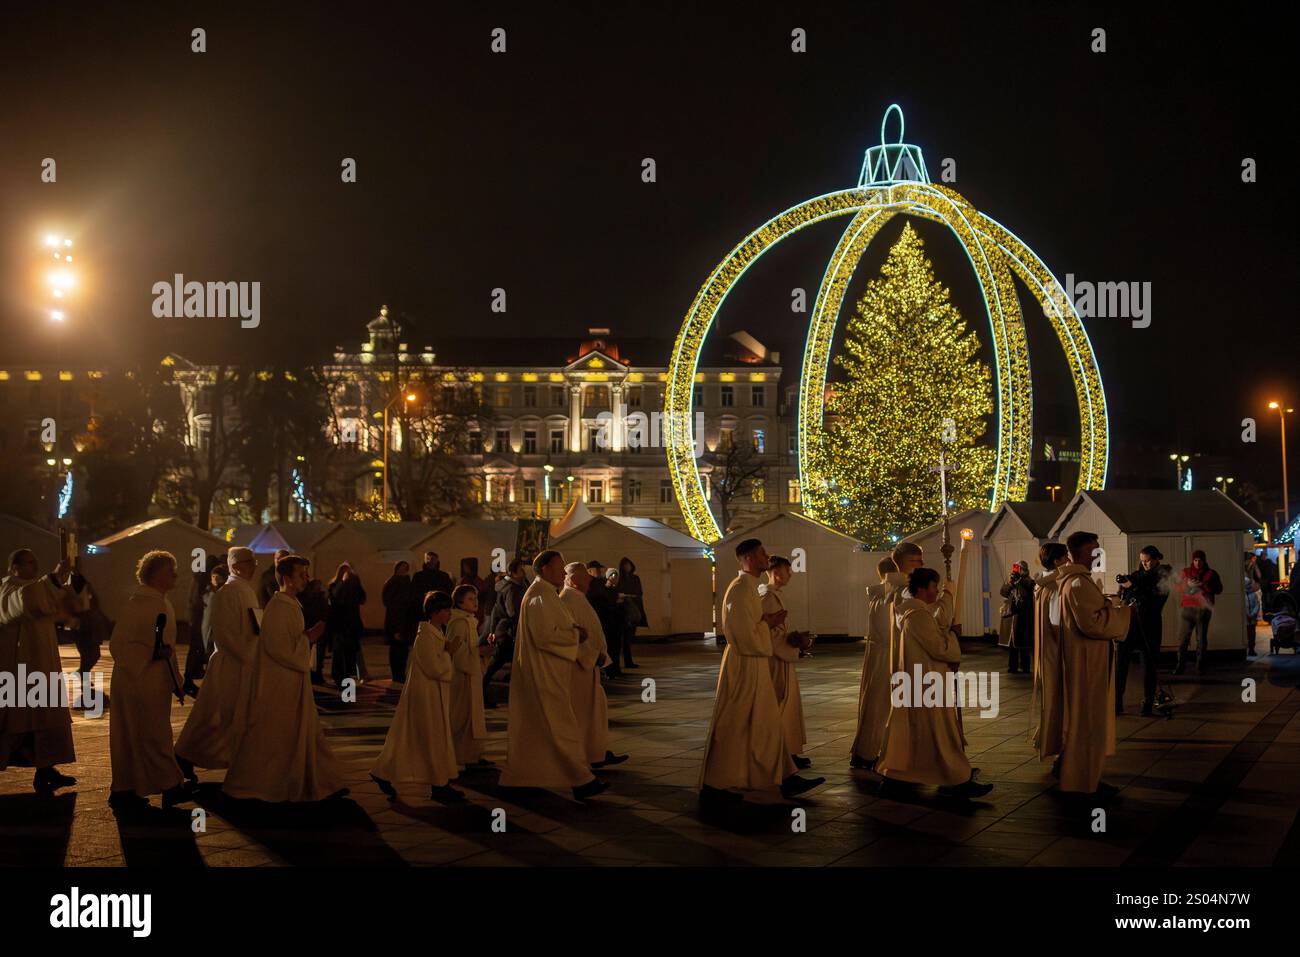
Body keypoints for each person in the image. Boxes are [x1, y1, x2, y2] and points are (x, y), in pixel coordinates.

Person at [699, 538, 823, 805]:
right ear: (748, 558)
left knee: (766, 725)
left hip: (753, 664)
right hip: (744, 665)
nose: (767, 557)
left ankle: (784, 777)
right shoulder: (740, 590)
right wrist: (767, 623)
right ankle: (716, 783)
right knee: (736, 725)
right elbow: (743, 635)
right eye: (762, 554)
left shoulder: (748, 588)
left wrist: (766, 623)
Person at [224, 554, 347, 803]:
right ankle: (266, 784)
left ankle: (321, 781)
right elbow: (279, 648)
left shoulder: (290, 604)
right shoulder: (279, 608)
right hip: (280, 684)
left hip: (291, 681)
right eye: (301, 574)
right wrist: (309, 638)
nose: (306, 579)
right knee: (277, 736)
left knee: (300, 734)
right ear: (286, 578)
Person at [499, 550, 607, 799]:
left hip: (550, 671)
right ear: (545, 569)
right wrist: (575, 636)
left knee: (537, 730)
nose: (562, 572)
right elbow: (544, 635)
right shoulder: (539, 596)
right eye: (559, 567)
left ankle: (517, 777)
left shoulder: (545, 594)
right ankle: (582, 779)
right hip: (544, 674)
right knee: (561, 727)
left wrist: (572, 631)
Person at [877, 567, 992, 799]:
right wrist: (954, 637)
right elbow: (939, 646)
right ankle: (956, 778)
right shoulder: (917, 616)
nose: (936, 590)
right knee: (938, 732)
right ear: (922, 588)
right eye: (934, 586)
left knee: (922, 732)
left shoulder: (915, 613)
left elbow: (937, 625)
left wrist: (948, 598)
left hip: (921, 683)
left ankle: (904, 777)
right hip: (925, 684)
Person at [107, 550, 188, 811]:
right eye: (170, 571)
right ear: (156, 575)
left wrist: (174, 678)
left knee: (131, 735)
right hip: (143, 681)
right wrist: (152, 655)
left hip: (141, 678)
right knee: (154, 735)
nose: (175, 576)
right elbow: (123, 645)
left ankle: (125, 787)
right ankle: (169, 786)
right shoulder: (149, 605)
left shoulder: (148, 602)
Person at [1056, 531, 1132, 798]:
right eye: (1092, 549)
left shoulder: (1078, 581)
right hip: (1086, 664)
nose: (1096, 554)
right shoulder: (1077, 583)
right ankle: (1082, 783)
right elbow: (1093, 623)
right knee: (1087, 723)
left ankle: (1086, 778)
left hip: (1088, 661)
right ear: (1078, 552)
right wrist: (1124, 612)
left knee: (1088, 723)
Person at [175, 547, 261, 781]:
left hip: (241, 663)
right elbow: (223, 633)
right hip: (230, 665)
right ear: (236, 566)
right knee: (213, 716)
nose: (254, 566)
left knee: (225, 716)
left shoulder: (244, 591)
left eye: (254, 561)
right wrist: (247, 655)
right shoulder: (228, 593)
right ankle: (184, 754)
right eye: (249, 562)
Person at [370, 591, 464, 803]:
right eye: (447, 610)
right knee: (425, 738)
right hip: (425, 697)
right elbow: (435, 669)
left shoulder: (436, 633)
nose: (450, 613)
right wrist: (449, 652)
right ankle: (438, 784)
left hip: (432, 695)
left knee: (421, 739)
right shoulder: (425, 637)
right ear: (436, 612)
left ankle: (438, 782)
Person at [0, 549, 80, 792]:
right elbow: (23, 603)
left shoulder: (34, 588)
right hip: (19, 671)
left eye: (36, 562)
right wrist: (54, 579)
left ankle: (45, 769)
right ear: (14, 567)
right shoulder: (8, 589)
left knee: (45, 718)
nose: (34, 567)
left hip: (41, 665)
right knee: (15, 721)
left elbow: (56, 605)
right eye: (29, 563)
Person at [560, 562, 627, 769]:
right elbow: (573, 634)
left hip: (590, 665)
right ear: (574, 580)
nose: (589, 581)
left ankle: (596, 752)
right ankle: (587, 755)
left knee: (594, 712)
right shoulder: (567, 600)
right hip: (581, 667)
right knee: (584, 714)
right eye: (585, 578)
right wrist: (590, 655)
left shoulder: (577, 597)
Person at [761, 555, 812, 769]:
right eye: (787, 570)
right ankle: (782, 754)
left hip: (782, 658)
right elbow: (770, 635)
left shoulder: (773, 595)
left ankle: (788, 750)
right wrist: (795, 648)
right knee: (780, 705)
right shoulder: (768, 598)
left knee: (787, 705)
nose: (790, 574)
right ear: (776, 572)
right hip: (776, 660)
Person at [849, 556, 896, 770]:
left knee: (879, 706)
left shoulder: (883, 596)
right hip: (886, 657)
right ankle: (866, 752)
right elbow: (889, 633)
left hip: (882, 656)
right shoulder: (885, 598)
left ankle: (870, 751)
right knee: (878, 707)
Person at [1115, 546, 1172, 715]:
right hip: (1131, 625)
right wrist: (1125, 584)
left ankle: (1147, 704)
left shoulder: (1164, 576)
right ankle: (1117, 702)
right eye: (1142, 561)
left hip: (1150, 626)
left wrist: (1133, 587)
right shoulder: (1139, 574)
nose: (1144, 564)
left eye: (1147, 561)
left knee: (1149, 667)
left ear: (1156, 559)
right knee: (1121, 664)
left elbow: (1154, 600)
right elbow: (1131, 584)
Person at [1031, 542, 1071, 767]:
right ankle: (1060, 749)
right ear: (1057, 561)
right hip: (1057, 652)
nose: (1068, 559)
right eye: (1065, 556)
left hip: (1045, 650)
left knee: (1052, 699)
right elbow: (1058, 621)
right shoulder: (1056, 585)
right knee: (1060, 701)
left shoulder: (1042, 584)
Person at [447, 584, 491, 767]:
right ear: (459, 601)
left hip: (470, 677)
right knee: (464, 719)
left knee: (473, 718)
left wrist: (483, 650)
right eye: (471, 599)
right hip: (462, 678)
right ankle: (463, 756)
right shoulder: (459, 623)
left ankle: (474, 755)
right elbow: (458, 654)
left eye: (476, 598)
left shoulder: (468, 621)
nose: (476, 603)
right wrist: (480, 652)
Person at [481, 558, 527, 707]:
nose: (524, 573)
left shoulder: (511, 587)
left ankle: (483, 693)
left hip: (505, 630)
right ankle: (481, 693)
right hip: (508, 632)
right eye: (521, 570)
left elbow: (495, 611)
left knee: (502, 664)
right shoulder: (512, 589)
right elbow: (512, 611)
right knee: (497, 663)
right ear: (513, 573)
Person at [1174, 549, 1222, 674]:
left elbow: (1218, 589)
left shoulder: (1211, 573)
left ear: (1204, 561)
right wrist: (1188, 584)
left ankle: (1200, 666)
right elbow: (1177, 587)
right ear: (1192, 560)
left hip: (1203, 610)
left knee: (1201, 639)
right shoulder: (1185, 572)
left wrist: (1202, 585)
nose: (1197, 563)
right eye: (1195, 560)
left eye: (1200, 560)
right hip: (1187, 609)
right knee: (1183, 639)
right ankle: (1180, 666)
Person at [327, 562, 367, 686]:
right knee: (340, 651)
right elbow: (335, 601)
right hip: (340, 623)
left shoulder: (354, 587)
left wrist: (355, 583)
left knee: (351, 650)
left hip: (350, 623)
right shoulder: (335, 586)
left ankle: (351, 675)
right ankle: (341, 676)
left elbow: (362, 599)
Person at [381, 560, 415, 683]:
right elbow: (388, 601)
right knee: (396, 648)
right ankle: (396, 674)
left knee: (403, 649)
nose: (405, 569)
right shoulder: (393, 582)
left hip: (405, 620)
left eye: (406, 567)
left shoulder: (407, 582)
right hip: (395, 619)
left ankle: (400, 673)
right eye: (403, 567)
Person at [998, 561, 1036, 673]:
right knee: (1012, 644)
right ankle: (1012, 666)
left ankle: (1025, 667)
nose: (1017, 570)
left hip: (1024, 616)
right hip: (1012, 616)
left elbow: (1025, 594)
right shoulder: (1012, 579)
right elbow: (1003, 592)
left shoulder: (1029, 581)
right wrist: (1010, 583)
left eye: (1019, 568)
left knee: (1024, 642)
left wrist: (1019, 581)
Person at [613, 557, 644, 669]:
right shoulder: (619, 578)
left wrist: (627, 596)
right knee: (624, 638)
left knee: (629, 637)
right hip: (623, 611)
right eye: (625, 565)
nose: (627, 567)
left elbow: (639, 592)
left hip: (632, 609)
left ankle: (628, 661)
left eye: (629, 565)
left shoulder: (635, 578)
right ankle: (627, 661)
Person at [300, 575, 331, 684]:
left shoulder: (310, 597)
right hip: (315, 628)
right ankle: (315, 675)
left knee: (314, 655)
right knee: (315, 655)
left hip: (314, 627)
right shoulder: (317, 598)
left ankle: (315, 675)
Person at [457, 557, 491, 628]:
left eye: (466, 566)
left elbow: (483, 592)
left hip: (478, 610)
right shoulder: (464, 580)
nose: (465, 568)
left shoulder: (478, 580)